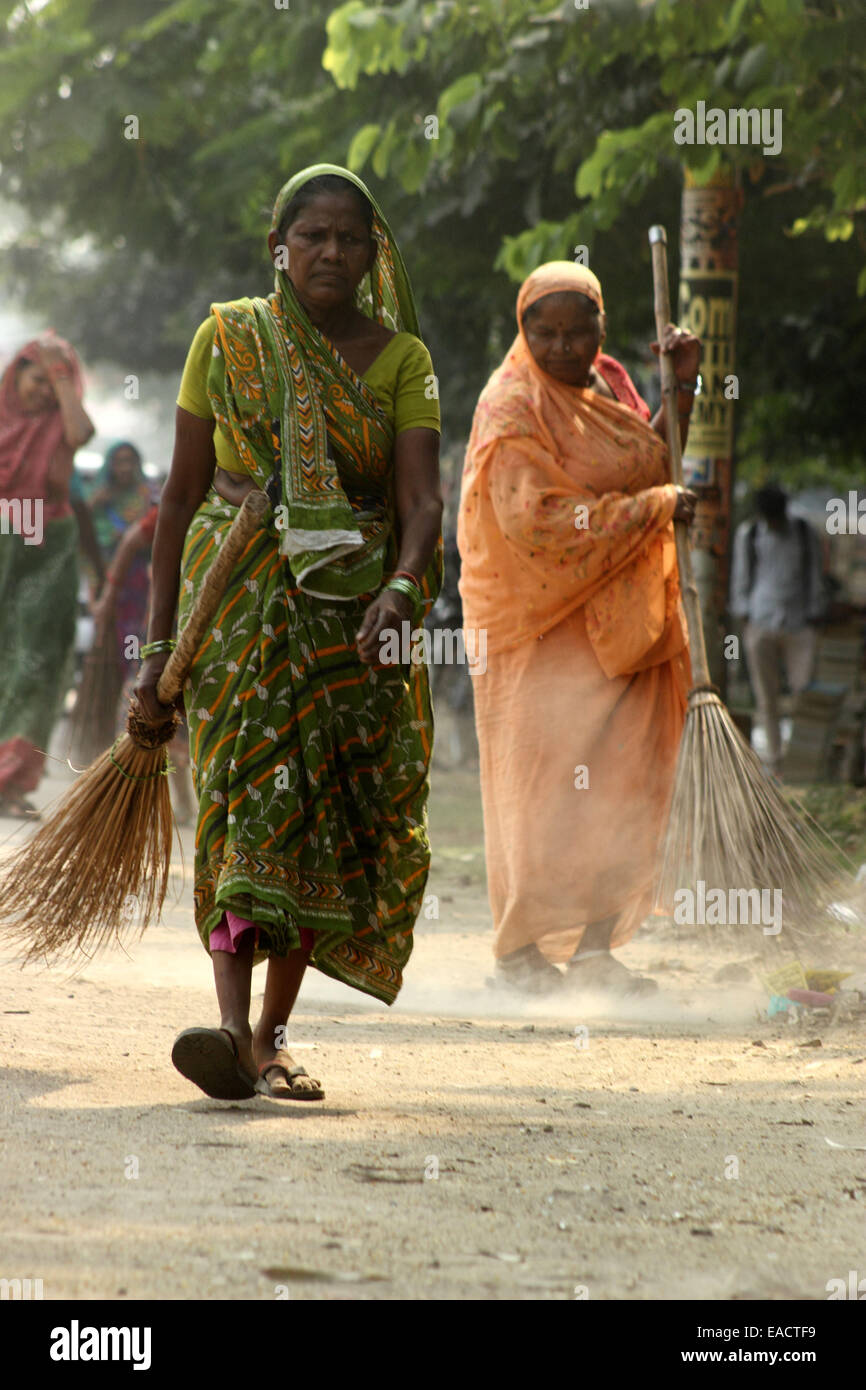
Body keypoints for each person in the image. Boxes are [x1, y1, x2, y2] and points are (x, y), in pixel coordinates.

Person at [136, 164, 442, 1100]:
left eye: (350, 238)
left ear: (372, 253)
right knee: (241, 799)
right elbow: (182, 497)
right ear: (279, 247)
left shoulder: (403, 362)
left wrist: (398, 587)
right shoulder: (227, 340)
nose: (331, 252)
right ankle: (230, 1032)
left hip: (348, 621)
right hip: (234, 611)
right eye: (312, 235)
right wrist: (156, 655)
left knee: (320, 818)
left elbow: (422, 501)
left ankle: (273, 1033)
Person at [457, 262, 700, 997]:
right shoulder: (511, 406)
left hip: (627, 624)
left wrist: (681, 385)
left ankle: (595, 950)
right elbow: (533, 521)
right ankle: (518, 955)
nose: (563, 346)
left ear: (601, 326)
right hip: (539, 631)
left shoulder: (614, 381)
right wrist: (653, 509)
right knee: (546, 790)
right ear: (523, 331)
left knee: (622, 782)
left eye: (578, 330)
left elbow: (654, 458)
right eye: (546, 331)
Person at [0, 334, 95, 818]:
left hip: (44, 540)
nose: (41, 391)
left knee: (34, 663)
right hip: (6, 534)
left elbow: (81, 433)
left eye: (52, 383)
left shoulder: (61, 423)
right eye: (36, 379)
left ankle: (10, 781)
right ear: (14, 374)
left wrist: (61, 377)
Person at [730, 483, 825, 776]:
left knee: (803, 696)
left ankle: (801, 761)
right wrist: (745, 620)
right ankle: (774, 762)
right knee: (765, 697)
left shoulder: (803, 532)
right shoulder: (750, 534)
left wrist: (815, 615)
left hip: (799, 623)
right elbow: (741, 578)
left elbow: (815, 576)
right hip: (761, 621)